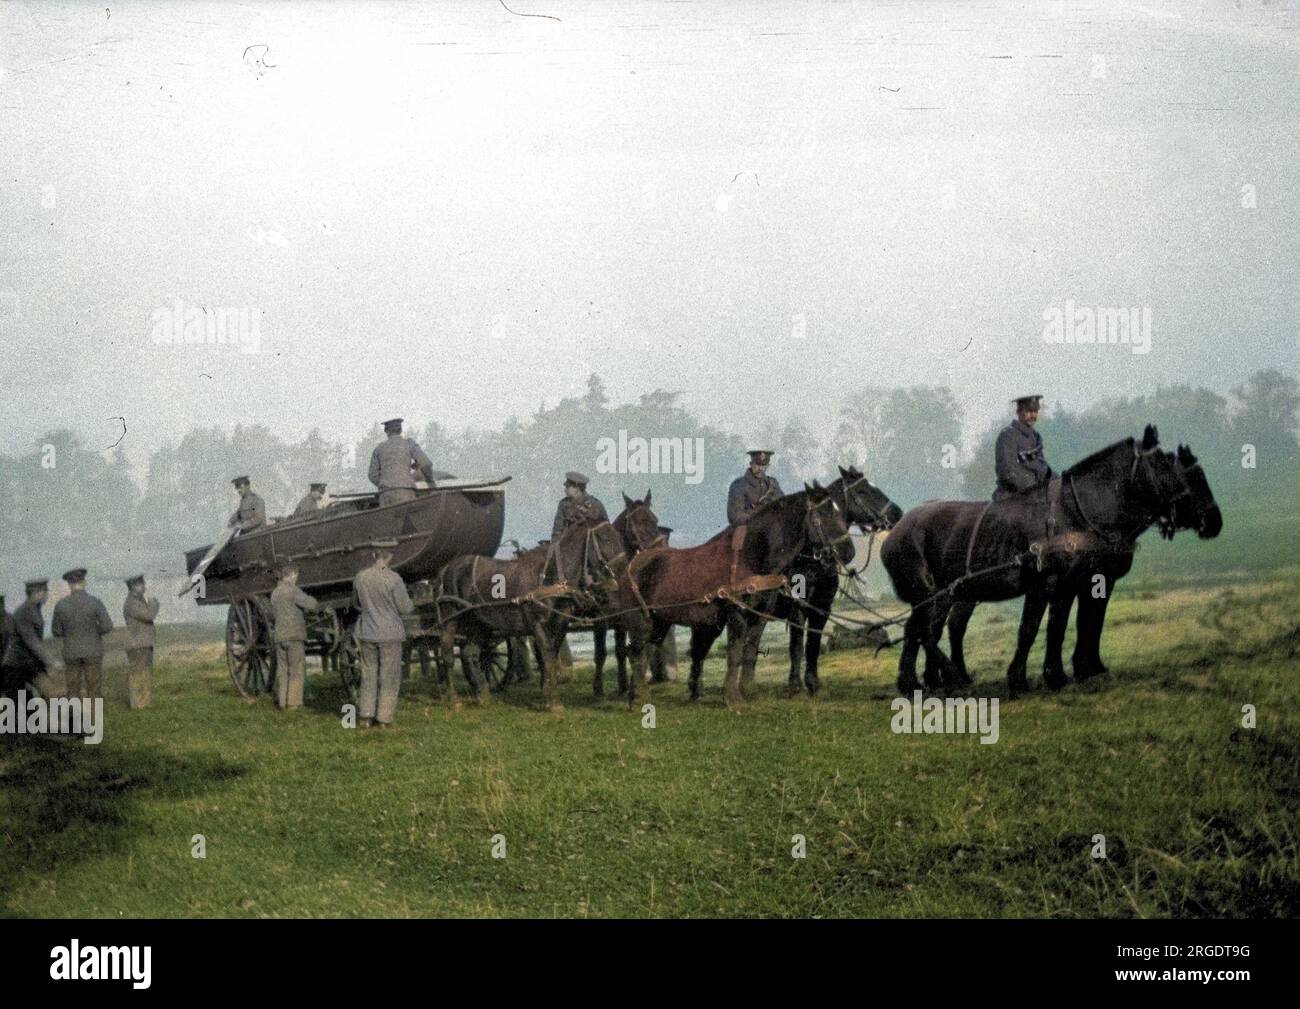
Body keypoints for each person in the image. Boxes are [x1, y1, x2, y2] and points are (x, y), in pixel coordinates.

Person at [351, 541, 414, 727]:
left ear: (374, 556)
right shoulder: (394, 578)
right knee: (390, 676)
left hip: (367, 632)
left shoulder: (360, 577)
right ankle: (384, 718)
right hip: (389, 634)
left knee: (368, 673)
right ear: (389, 557)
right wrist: (412, 604)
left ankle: (365, 716)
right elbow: (405, 607)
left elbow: (356, 603)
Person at [50, 568, 112, 699]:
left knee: (72, 690)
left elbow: (56, 632)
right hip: (93, 651)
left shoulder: (60, 605)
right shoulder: (95, 602)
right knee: (94, 688)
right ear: (84, 582)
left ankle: (76, 718)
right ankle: (94, 717)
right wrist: (94, 632)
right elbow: (107, 626)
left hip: (71, 652)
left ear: (69, 584)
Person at [269, 562, 319, 710]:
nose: (296, 579)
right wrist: (315, 601)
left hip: (280, 637)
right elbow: (310, 604)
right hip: (294, 636)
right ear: (290, 575)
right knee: (296, 670)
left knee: (283, 670)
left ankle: (282, 702)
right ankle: (293, 703)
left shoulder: (275, 593)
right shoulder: (293, 590)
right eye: (295, 576)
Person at [1, 579, 60, 700]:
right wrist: (51, 661)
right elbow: (31, 640)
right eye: (44, 591)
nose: (47, 595)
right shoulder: (23, 612)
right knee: (20, 705)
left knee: (51, 695)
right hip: (16, 667)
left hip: (30, 665)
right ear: (35, 593)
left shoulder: (33, 609)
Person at [994, 395, 1052, 501]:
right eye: (1029, 411)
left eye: (1035, 411)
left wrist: (1059, 482)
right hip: (1011, 497)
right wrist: (1033, 490)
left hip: (1035, 497)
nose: (1033, 415)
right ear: (1019, 412)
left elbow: (1042, 469)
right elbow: (1007, 472)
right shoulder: (1008, 435)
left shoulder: (1036, 437)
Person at [367, 418, 435, 507]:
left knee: (389, 519)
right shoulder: (409, 444)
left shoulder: (379, 448)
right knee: (408, 519)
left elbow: (372, 475)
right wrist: (430, 481)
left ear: (386, 431)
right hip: (406, 491)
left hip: (386, 494)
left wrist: (385, 484)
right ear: (401, 430)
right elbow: (426, 464)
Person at [122, 575, 161, 709]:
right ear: (133, 586)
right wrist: (154, 603)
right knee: (139, 674)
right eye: (141, 584)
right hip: (138, 644)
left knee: (144, 674)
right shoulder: (133, 602)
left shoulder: (136, 600)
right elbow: (149, 615)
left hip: (141, 643)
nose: (144, 586)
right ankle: (139, 705)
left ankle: (144, 704)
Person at [727, 450, 784, 527]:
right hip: (748, 528)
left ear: (768, 466)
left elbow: (783, 507)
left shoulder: (773, 484)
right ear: (751, 464)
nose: (760, 468)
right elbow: (735, 516)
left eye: (764, 465)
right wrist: (762, 517)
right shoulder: (739, 485)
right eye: (757, 464)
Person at [550, 471, 609, 539]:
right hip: (570, 544)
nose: (565, 489)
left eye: (568, 486)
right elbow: (557, 529)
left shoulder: (596, 504)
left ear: (577, 487)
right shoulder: (564, 504)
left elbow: (607, 528)